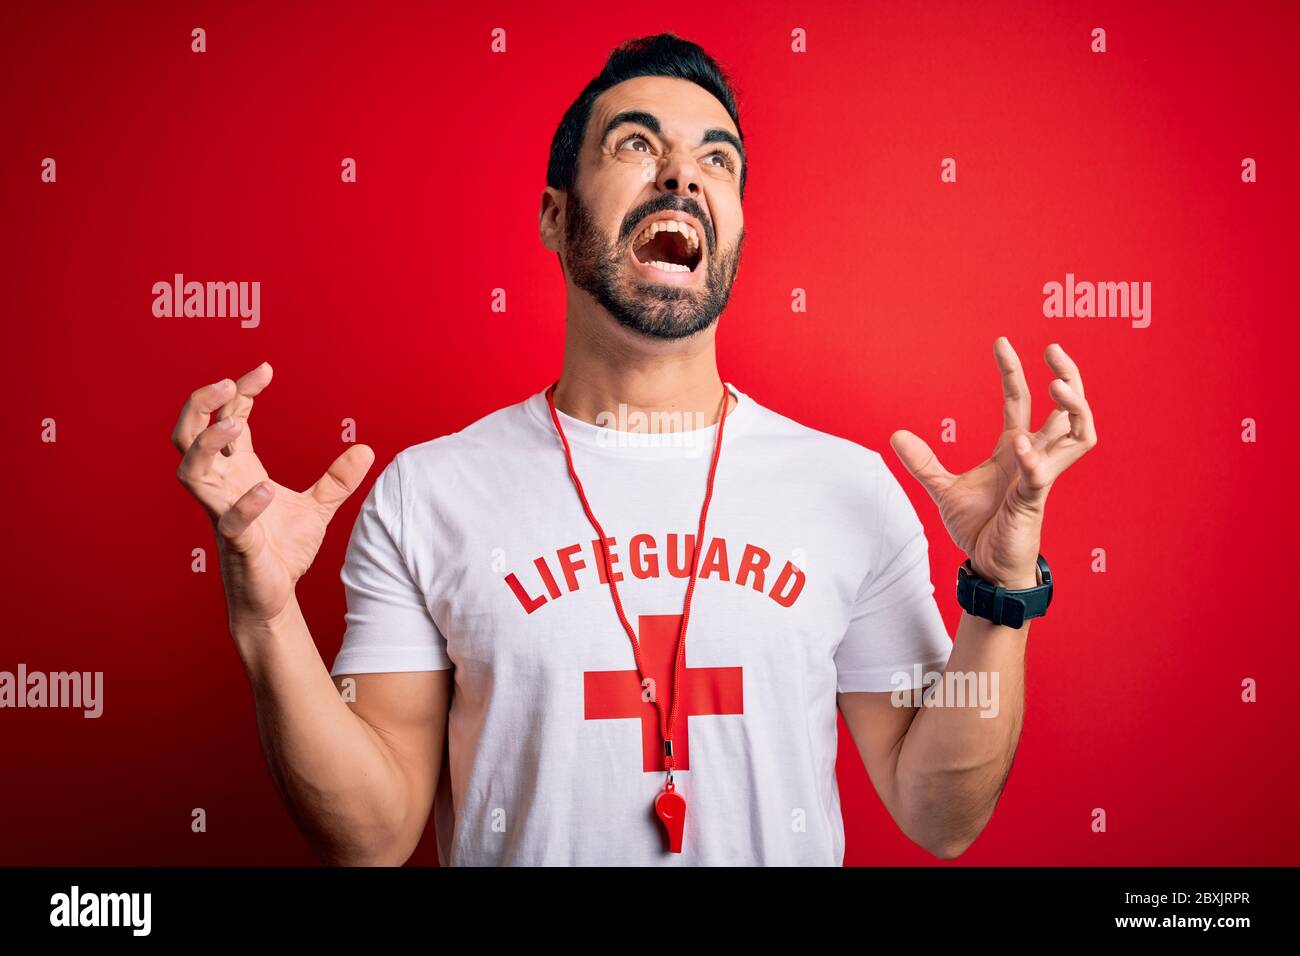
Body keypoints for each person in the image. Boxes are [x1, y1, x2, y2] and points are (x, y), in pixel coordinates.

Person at [171, 33, 1097, 866]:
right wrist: (266, 615)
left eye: (717, 160)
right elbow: (369, 837)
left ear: (733, 231)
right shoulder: (429, 493)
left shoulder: (848, 489)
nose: (683, 177)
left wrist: (1002, 592)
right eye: (637, 145)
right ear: (552, 214)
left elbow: (942, 815)